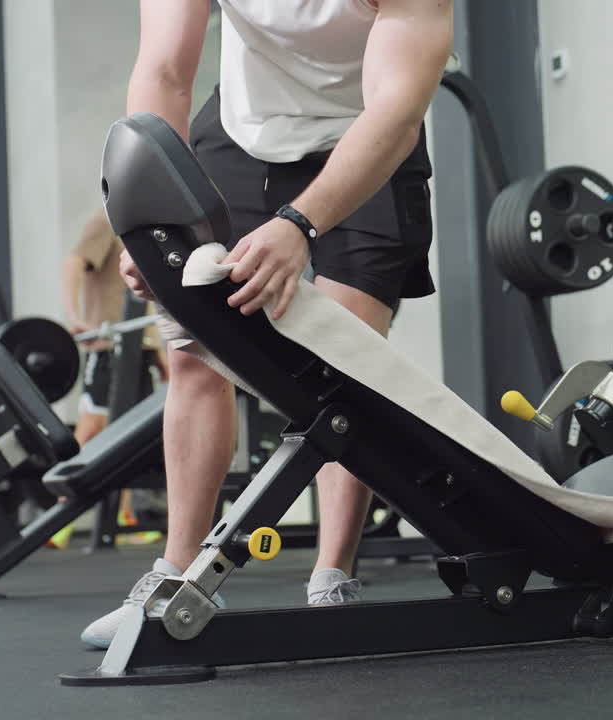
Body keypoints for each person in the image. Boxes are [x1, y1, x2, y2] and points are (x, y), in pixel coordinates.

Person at [80, 0, 453, 648]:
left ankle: (332, 577)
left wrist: (302, 225)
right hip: (241, 132)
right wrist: (146, 226)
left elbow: (397, 109)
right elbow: (164, 70)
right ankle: (173, 575)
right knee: (194, 350)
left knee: (344, 366)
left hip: (366, 137)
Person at [58, 209, 165, 549]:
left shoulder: (145, 226)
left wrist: (159, 355)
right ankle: (60, 517)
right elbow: (72, 264)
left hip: (140, 349)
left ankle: (122, 517)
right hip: (110, 348)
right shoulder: (107, 222)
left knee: (130, 439)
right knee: (91, 430)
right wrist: (76, 318)